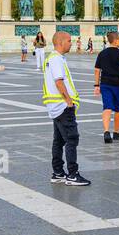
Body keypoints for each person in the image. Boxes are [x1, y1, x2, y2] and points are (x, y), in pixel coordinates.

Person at [43, 31, 90, 186]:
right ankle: (72, 174)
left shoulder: (52, 58)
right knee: (72, 138)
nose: (72, 43)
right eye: (69, 40)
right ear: (61, 42)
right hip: (63, 107)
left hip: (55, 107)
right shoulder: (56, 59)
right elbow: (59, 82)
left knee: (58, 140)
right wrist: (69, 101)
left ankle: (57, 172)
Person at [93, 30, 119, 144]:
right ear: (115, 41)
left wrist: (96, 85)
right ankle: (116, 132)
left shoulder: (102, 53)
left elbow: (97, 70)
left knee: (107, 107)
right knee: (118, 108)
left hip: (105, 84)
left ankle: (106, 131)